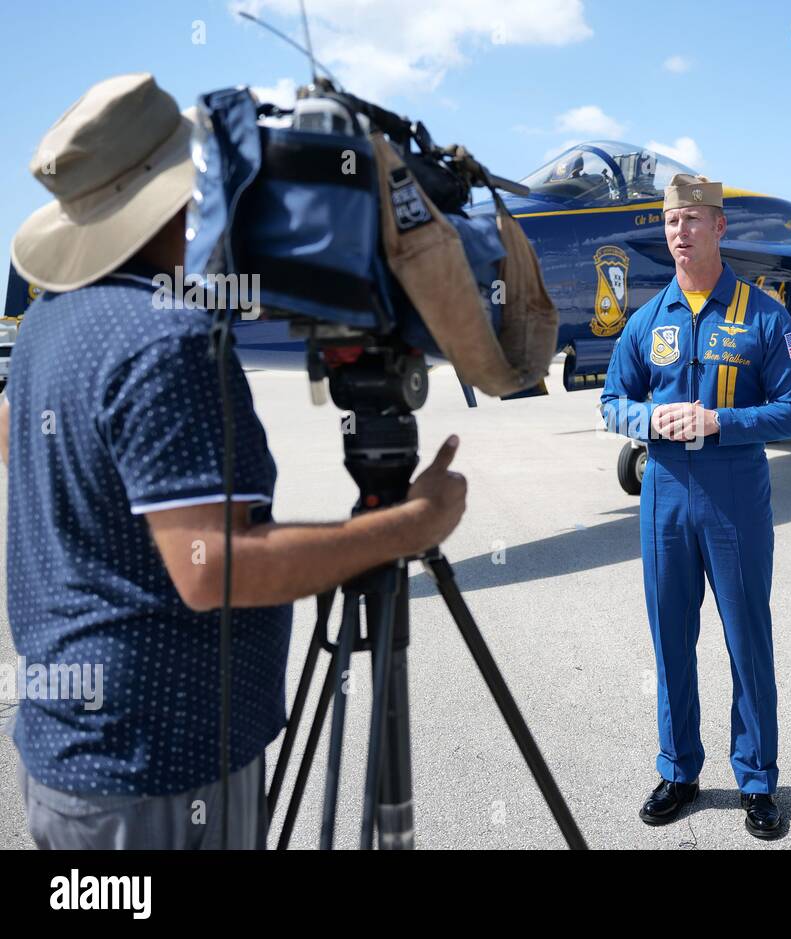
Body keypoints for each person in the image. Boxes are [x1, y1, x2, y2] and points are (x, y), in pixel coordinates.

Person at [0, 73, 466, 849]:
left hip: (74, 766)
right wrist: (408, 525)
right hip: (160, 775)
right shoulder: (165, 338)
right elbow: (211, 566)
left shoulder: (49, 321)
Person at [600, 173, 791, 839]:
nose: (681, 232)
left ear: (720, 227)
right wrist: (648, 417)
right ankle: (680, 769)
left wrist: (719, 421)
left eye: (694, 220)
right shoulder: (646, 320)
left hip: (733, 497)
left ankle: (757, 780)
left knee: (747, 639)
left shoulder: (763, 314)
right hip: (663, 494)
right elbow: (612, 402)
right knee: (671, 641)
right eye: (672, 222)